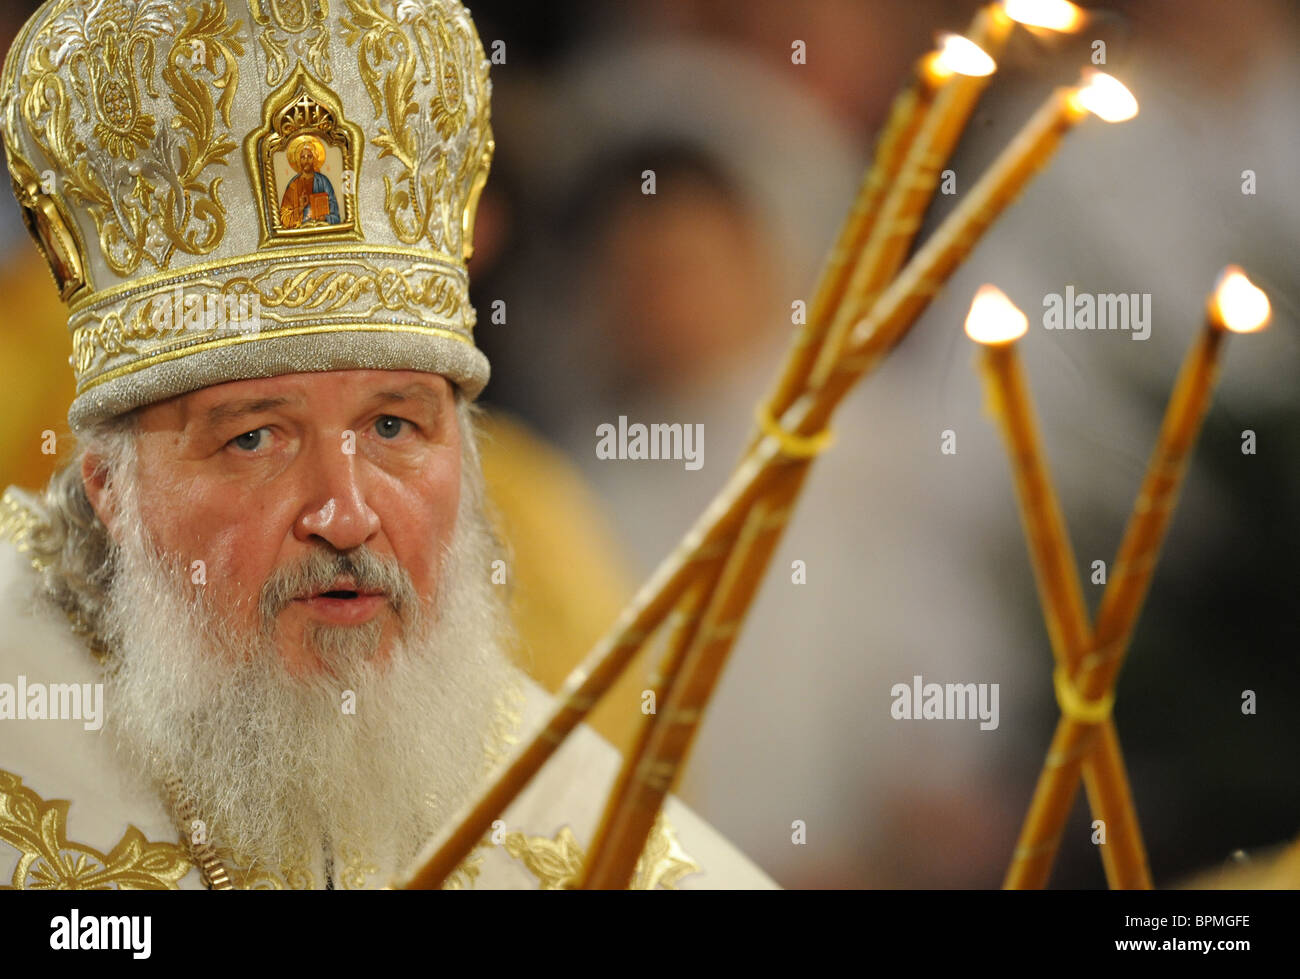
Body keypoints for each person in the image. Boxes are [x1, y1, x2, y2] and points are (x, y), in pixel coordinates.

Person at [0, 0, 774, 890]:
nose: (347, 514)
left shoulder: (555, 801)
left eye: (394, 427)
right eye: (256, 437)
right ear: (110, 487)